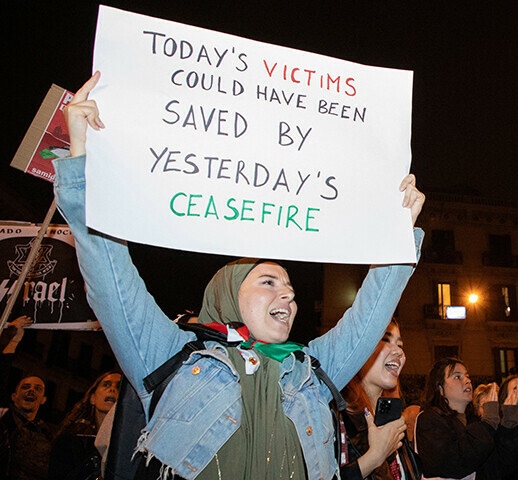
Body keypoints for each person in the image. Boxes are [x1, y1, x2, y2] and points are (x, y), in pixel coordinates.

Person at [57, 72, 425, 480]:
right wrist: (83, 161)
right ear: (228, 294)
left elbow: (368, 316)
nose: (288, 296)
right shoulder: (170, 357)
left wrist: (397, 235)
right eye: (268, 282)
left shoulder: (311, 374)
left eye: (290, 287)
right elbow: (111, 278)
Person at [414, 358, 518, 480]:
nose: (467, 381)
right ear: (440, 389)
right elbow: (451, 464)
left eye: (467, 376)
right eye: (457, 377)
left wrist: (509, 423)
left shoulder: (473, 422)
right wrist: (488, 423)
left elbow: (499, 467)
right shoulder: (429, 419)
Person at [340, 320, 420, 480]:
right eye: (385, 340)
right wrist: (374, 457)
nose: (399, 352)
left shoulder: (392, 420)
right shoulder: (337, 418)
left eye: (400, 345)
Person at [48, 371, 121, 480]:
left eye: (119, 387)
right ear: (92, 398)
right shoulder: (70, 439)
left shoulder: (129, 445)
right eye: (106, 385)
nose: (112, 389)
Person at [0, 375, 53, 480]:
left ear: (43, 400)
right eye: (26, 387)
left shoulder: (47, 434)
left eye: (38, 388)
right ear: (14, 396)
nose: (31, 390)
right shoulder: (3, 419)